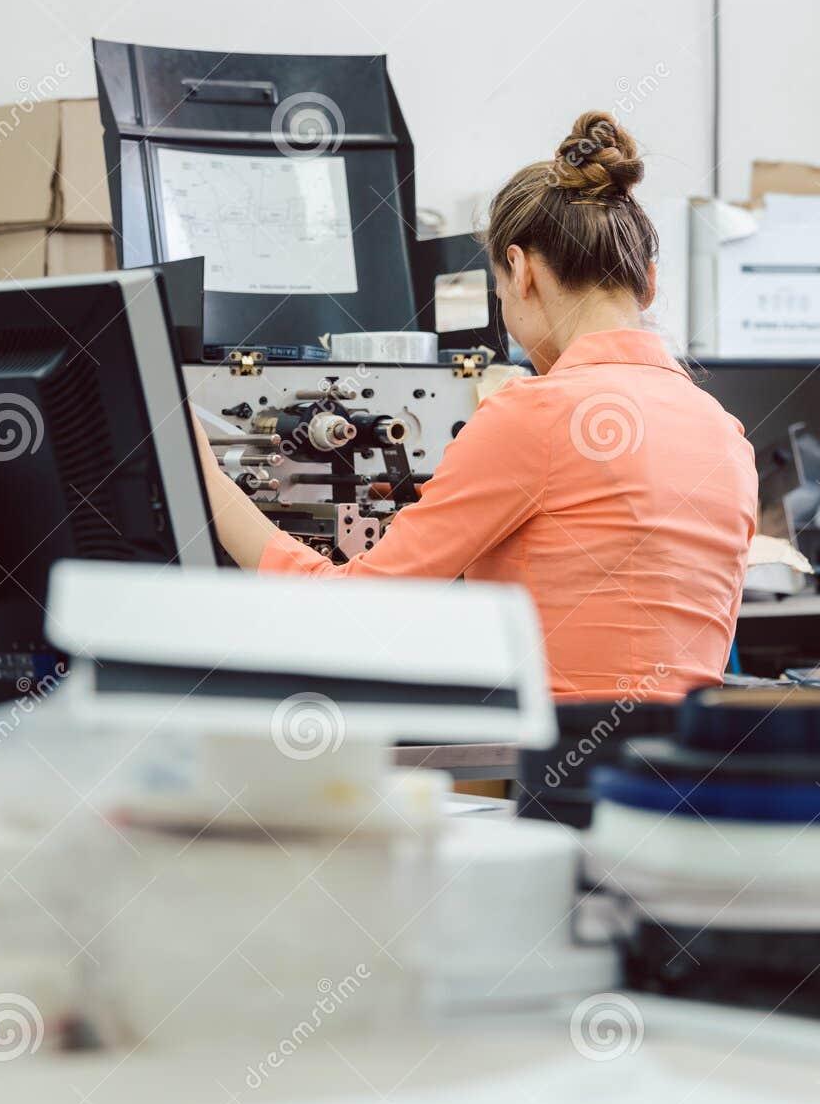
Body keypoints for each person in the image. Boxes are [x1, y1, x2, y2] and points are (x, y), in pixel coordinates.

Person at [194, 111, 757, 702]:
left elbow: (349, 611)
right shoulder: (725, 433)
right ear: (648, 280)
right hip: (689, 781)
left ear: (521, 270)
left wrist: (201, 475)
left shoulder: (536, 414)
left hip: (559, 774)